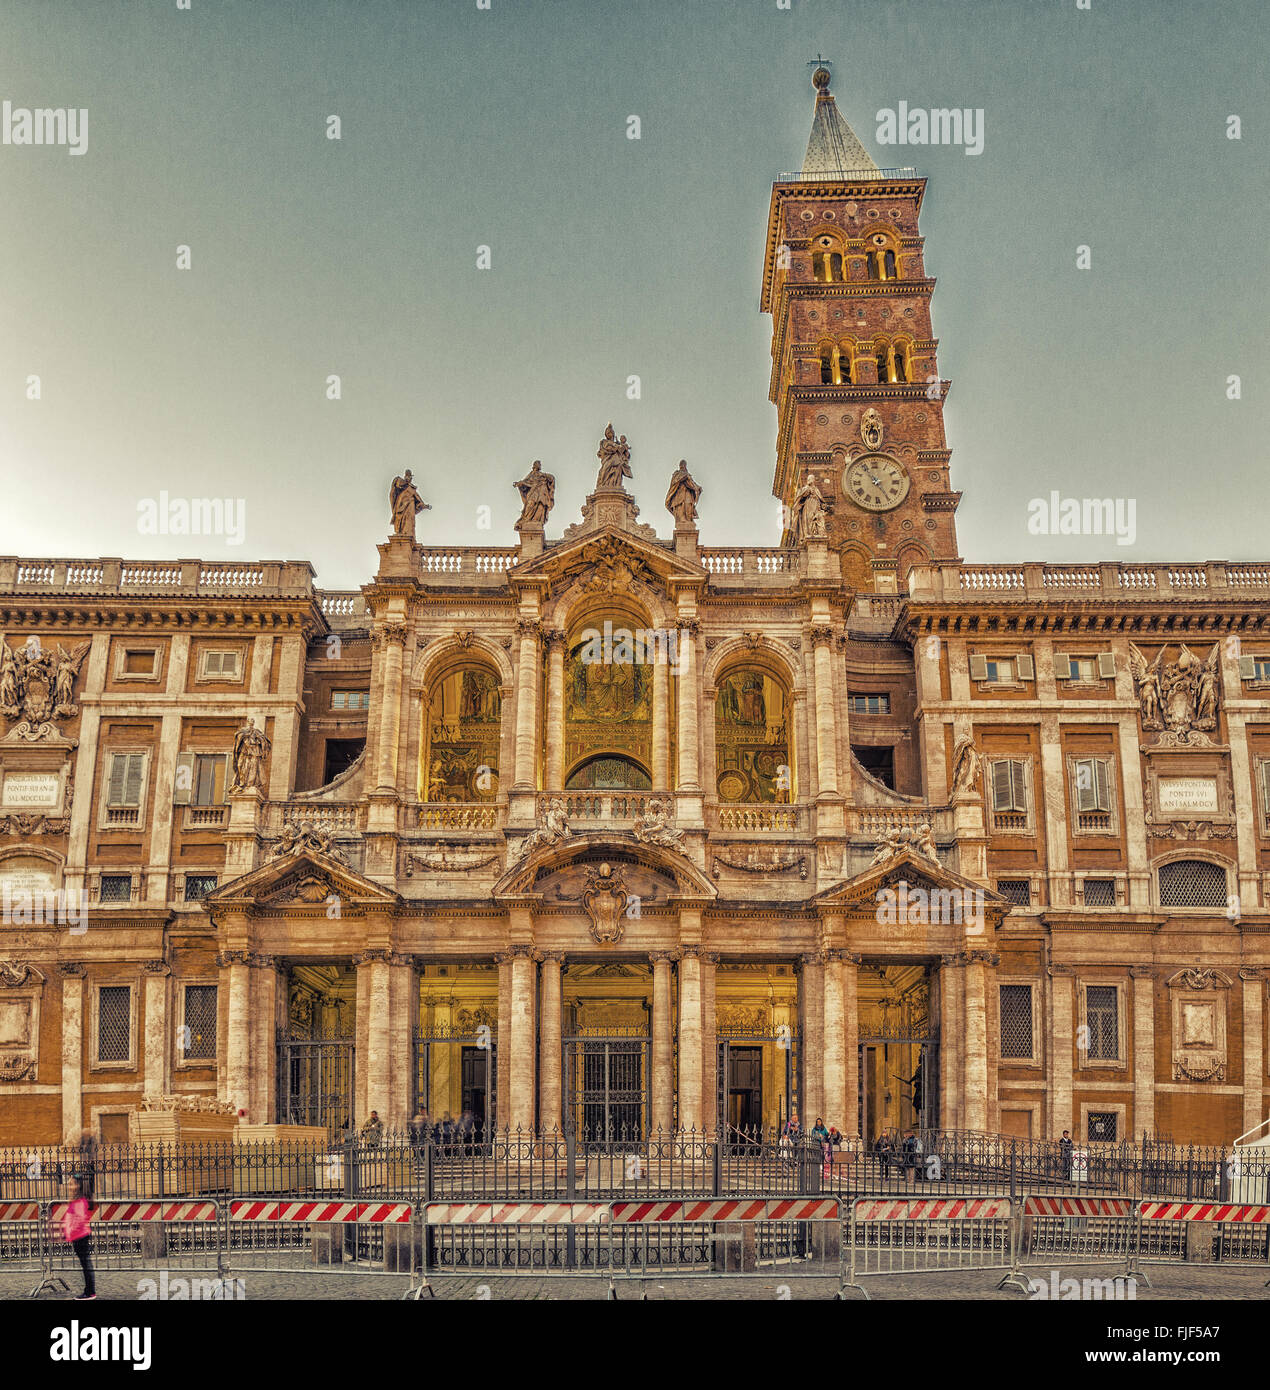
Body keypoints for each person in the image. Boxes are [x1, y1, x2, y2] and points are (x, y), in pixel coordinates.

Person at [62, 1176, 95, 1300]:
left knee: (86, 1265)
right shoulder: (77, 1200)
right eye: (69, 1184)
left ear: (78, 1186)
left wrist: (71, 1233)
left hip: (80, 1236)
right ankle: (88, 1291)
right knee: (85, 1265)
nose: (69, 1187)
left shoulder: (80, 1201)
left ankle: (90, 1292)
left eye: (72, 1184)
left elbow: (79, 1220)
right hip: (78, 1236)